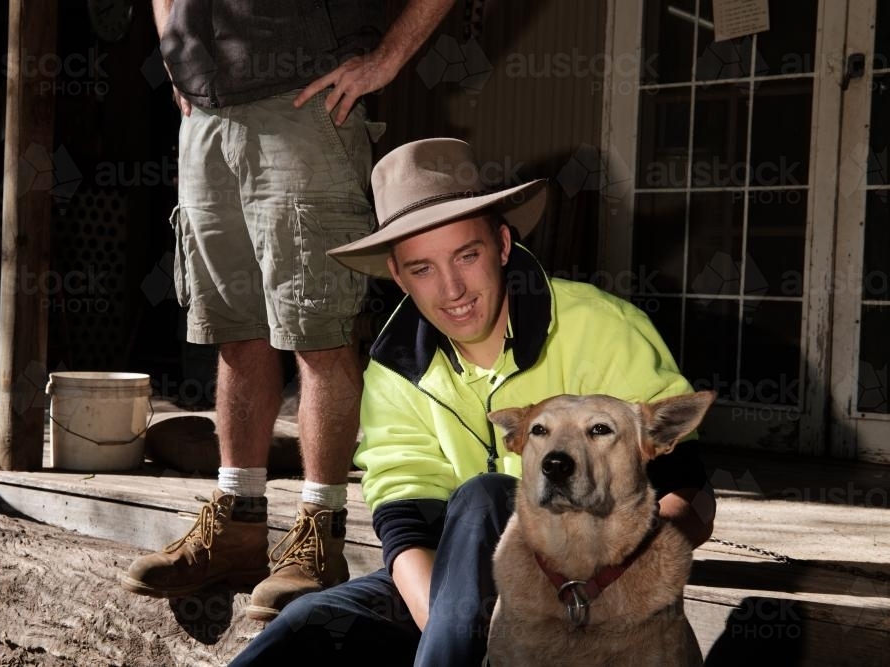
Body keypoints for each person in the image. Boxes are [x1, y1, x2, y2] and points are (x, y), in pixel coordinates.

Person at [228, 138, 718, 665]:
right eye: (423, 269)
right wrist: (452, 633)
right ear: (397, 275)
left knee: (489, 496)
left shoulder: (604, 329)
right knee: (306, 627)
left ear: (503, 245)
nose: (453, 289)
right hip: (451, 589)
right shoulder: (394, 370)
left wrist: (603, 585)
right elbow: (407, 528)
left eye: (468, 255)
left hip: (591, 583)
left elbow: (690, 493)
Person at [121, 0, 455, 622]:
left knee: (317, 331)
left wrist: (386, 60)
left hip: (304, 104)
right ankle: (238, 523)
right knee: (233, 331)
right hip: (205, 114)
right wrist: (175, 51)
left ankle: (318, 536)